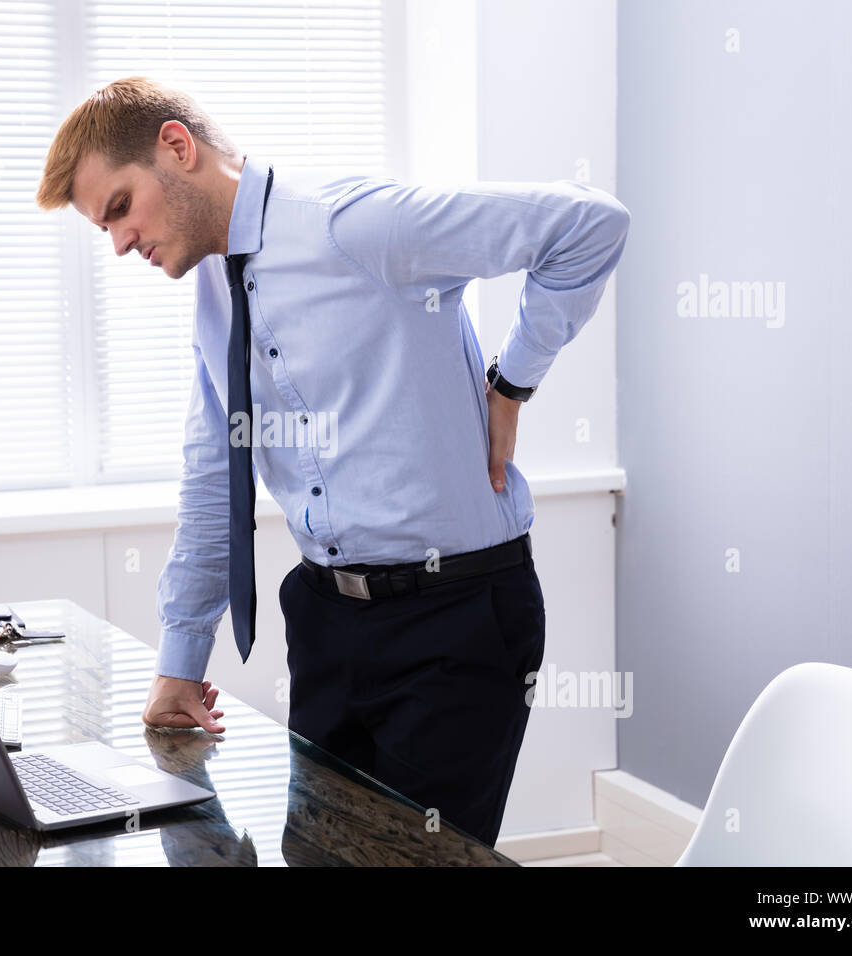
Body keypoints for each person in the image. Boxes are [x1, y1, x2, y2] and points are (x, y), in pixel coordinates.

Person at [36, 77, 630, 846]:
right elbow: (216, 477)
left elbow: (588, 225)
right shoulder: (217, 292)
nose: (118, 243)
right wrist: (181, 660)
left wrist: (512, 381)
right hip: (326, 621)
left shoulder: (354, 225)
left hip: (456, 620)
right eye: (102, 228)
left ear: (175, 148)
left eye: (119, 207)